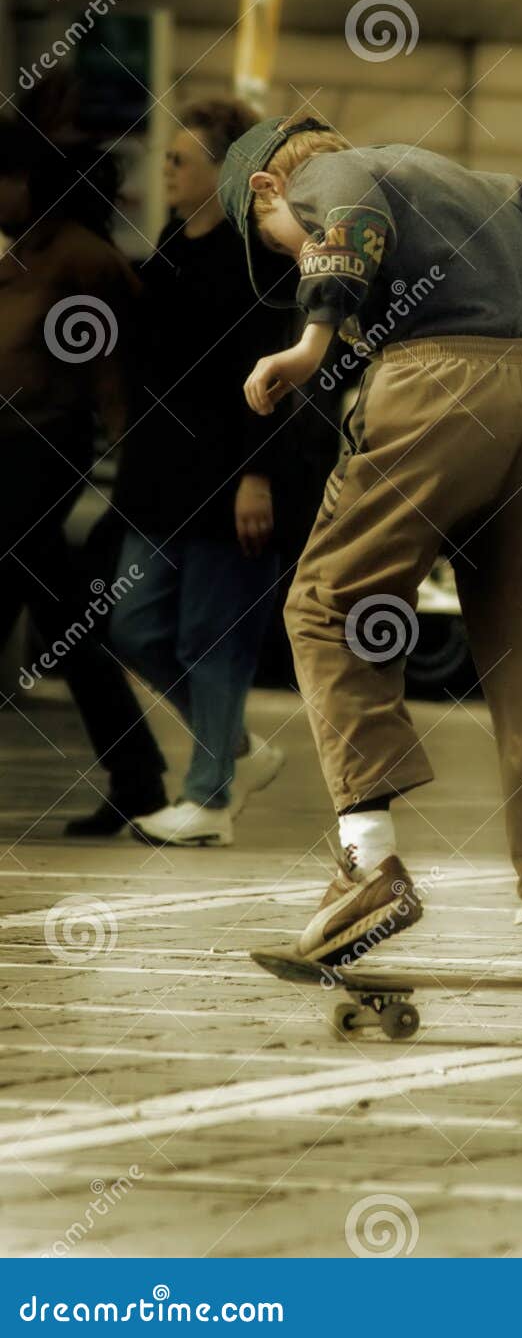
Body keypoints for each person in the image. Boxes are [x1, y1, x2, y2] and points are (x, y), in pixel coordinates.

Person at [220, 114, 522, 983]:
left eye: (274, 244)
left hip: (436, 385)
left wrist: (310, 342)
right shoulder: (482, 185)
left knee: (324, 607)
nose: (286, 253)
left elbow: (344, 212)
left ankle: (368, 866)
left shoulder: (331, 176)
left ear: (269, 189)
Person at [111, 99, 289, 848]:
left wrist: (258, 473)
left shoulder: (262, 261)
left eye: (180, 160)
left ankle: (208, 799)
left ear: (224, 170)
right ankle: (238, 749)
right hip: (159, 475)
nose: (168, 172)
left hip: (229, 474)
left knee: (212, 636)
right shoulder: (172, 243)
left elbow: (278, 378)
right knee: (133, 623)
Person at [0, 120, 169, 834]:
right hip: (9, 451)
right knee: (63, 615)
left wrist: (134, 484)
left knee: (45, 605)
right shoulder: (25, 255)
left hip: (44, 453)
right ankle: (138, 776)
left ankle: (139, 775)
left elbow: (115, 379)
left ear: (29, 182)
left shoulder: (83, 261)